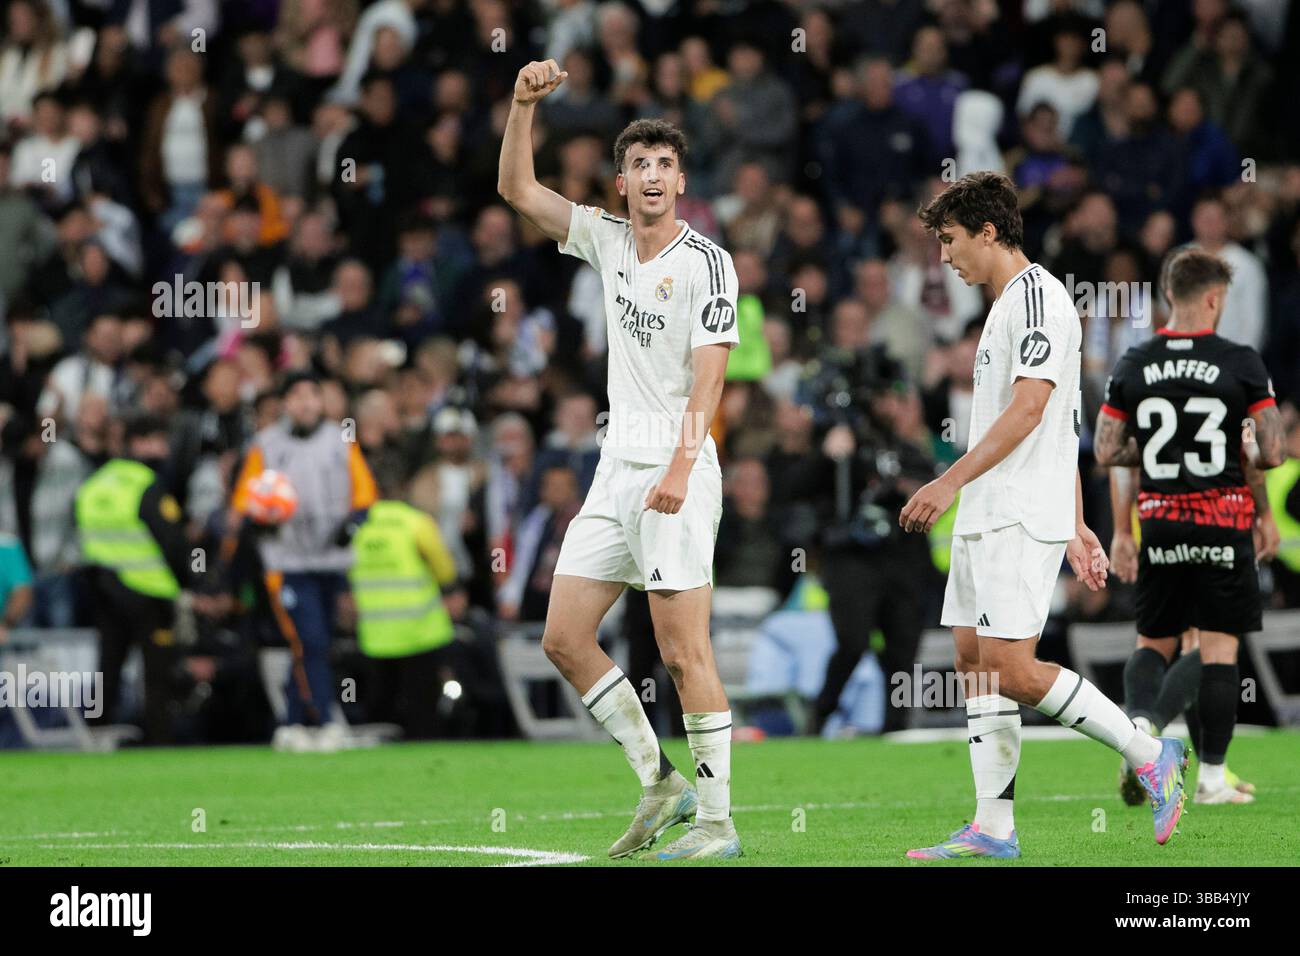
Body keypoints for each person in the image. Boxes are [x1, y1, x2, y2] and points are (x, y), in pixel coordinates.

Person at [898, 171, 1186, 860]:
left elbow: (1031, 410)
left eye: (950, 239)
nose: (944, 255)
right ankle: (993, 826)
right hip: (993, 509)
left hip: (1012, 512)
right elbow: (1066, 425)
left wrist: (949, 481)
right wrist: (1082, 523)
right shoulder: (1004, 306)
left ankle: (1151, 753)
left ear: (989, 232)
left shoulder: (1040, 299)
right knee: (973, 660)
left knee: (1012, 667)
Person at [498, 61, 741, 861]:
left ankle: (717, 821)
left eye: (666, 165)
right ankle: (658, 779)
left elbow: (711, 377)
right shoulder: (604, 239)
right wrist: (523, 105)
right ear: (621, 179)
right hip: (616, 469)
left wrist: (681, 463)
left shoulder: (707, 261)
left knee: (682, 653)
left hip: (678, 465)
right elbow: (517, 192)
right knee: (564, 636)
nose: (653, 177)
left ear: (681, 181)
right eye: (640, 165)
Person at [1096, 248, 1283, 806]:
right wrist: (1261, 508)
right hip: (1222, 521)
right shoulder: (1240, 361)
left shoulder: (1134, 361)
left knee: (1154, 643)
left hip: (1158, 523)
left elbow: (1109, 451)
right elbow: (1270, 452)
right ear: (1213, 298)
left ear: (1166, 296)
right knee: (1218, 649)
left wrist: (1124, 530)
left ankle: (1141, 738)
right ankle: (1207, 779)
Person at [230, 370, 377, 731]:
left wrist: (352, 525)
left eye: (313, 393)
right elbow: (244, 504)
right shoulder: (265, 445)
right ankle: (326, 721)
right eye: (296, 395)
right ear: (285, 403)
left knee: (316, 643)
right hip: (288, 561)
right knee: (308, 640)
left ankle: (292, 723)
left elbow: (365, 495)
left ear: (322, 400)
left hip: (331, 560)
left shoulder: (341, 441)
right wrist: (261, 520)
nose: (306, 402)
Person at [75, 414, 191, 743]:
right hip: (148, 590)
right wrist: (185, 584)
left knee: (107, 666)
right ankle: (158, 738)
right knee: (157, 672)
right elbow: (172, 541)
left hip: (103, 587)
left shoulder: (94, 483)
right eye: (157, 440)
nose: (164, 449)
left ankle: (95, 735)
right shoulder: (146, 484)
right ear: (139, 443)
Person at [348, 474, 462, 739]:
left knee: (381, 711)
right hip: (419, 630)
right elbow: (444, 569)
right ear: (403, 489)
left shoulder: (357, 525)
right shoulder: (416, 522)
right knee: (421, 710)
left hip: (375, 633)